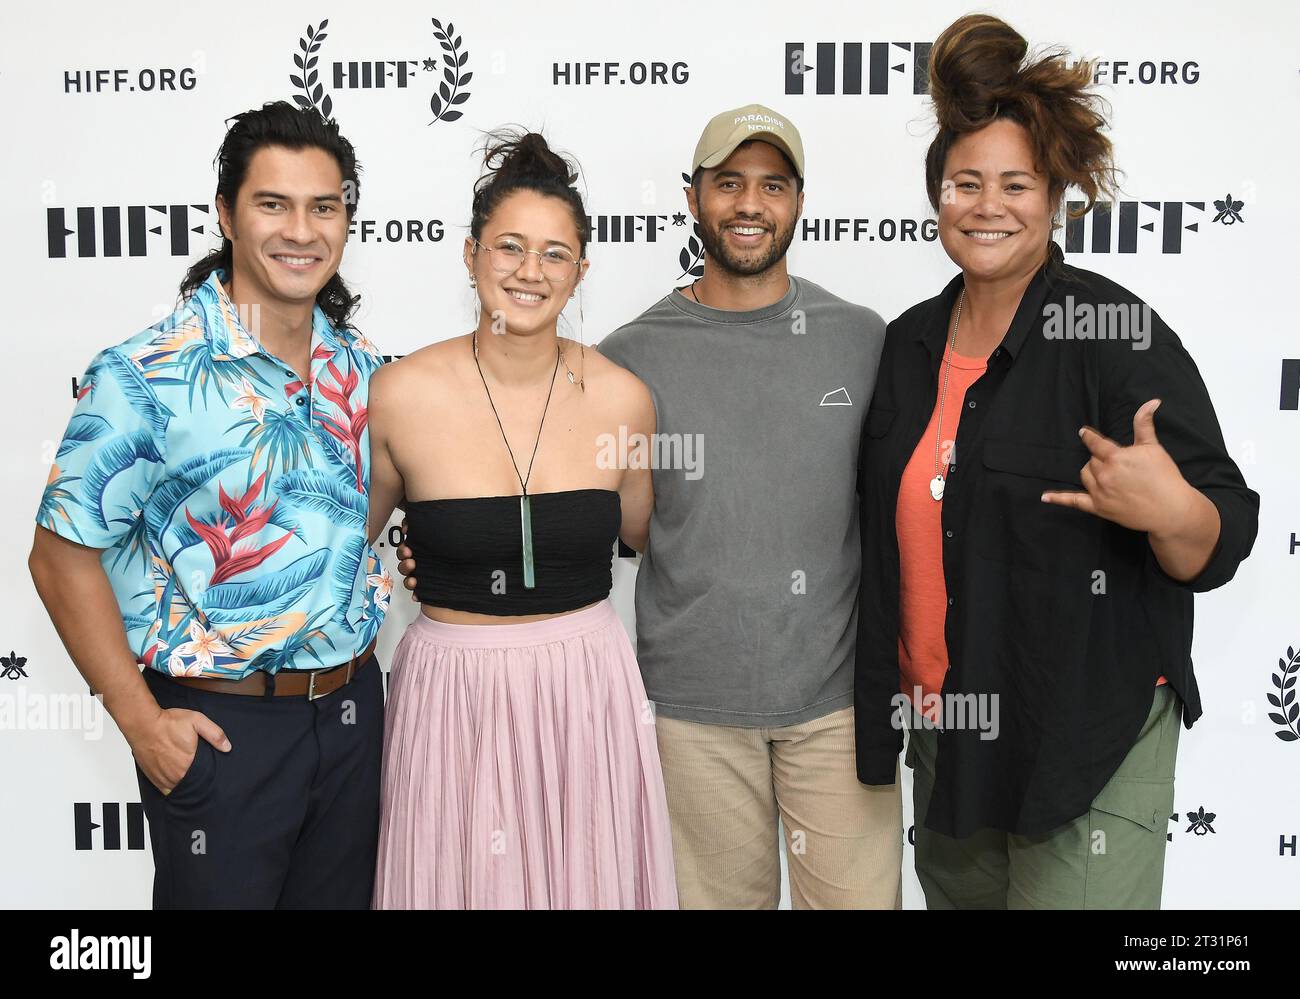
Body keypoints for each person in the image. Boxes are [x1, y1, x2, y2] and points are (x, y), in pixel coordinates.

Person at [400, 104, 902, 909]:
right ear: (692, 196)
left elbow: (905, 503)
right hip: (690, 715)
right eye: (728, 182)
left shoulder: (862, 339)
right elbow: (587, 503)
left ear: (799, 201)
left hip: (836, 709)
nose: (749, 203)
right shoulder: (627, 361)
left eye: (772, 184)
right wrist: (443, 545)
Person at [854, 14, 1259, 909]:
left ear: (1054, 198)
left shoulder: (1113, 334)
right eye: (965, 182)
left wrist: (1171, 510)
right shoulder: (906, 345)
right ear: (937, 198)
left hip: (1083, 744)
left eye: (1015, 184)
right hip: (949, 739)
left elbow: (1224, 533)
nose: (987, 205)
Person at [28, 101, 390, 908]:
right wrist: (142, 724)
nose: (302, 230)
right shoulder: (145, 374)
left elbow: (363, 515)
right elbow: (58, 557)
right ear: (225, 214)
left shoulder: (364, 367)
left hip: (355, 719)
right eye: (274, 204)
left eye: (323, 206)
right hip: (224, 735)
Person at [365, 129, 676, 909]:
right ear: (470, 255)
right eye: (508, 247)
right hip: (450, 695)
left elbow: (639, 532)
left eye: (554, 253)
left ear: (581, 271)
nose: (529, 273)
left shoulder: (623, 397)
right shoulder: (397, 393)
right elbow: (344, 544)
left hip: (586, 689)